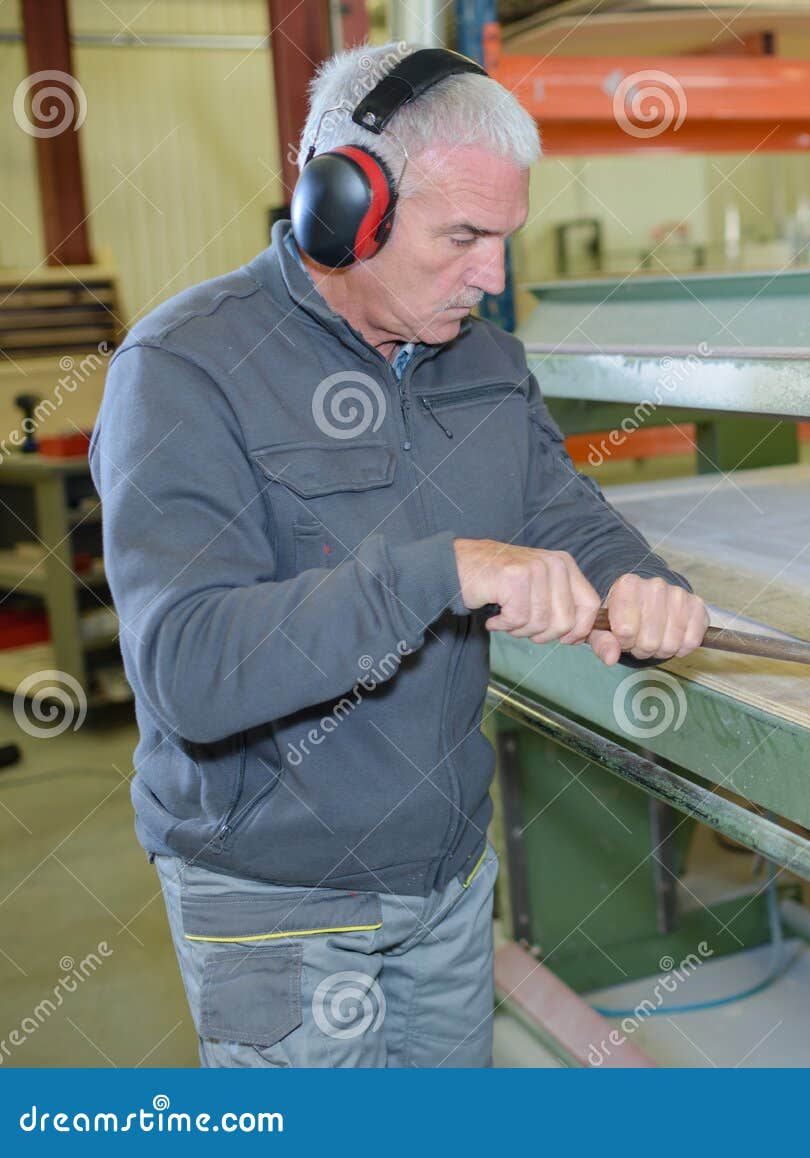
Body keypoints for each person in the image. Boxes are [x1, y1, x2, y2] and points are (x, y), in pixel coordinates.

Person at [88, 43, 707, 1067]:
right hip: (275, 903)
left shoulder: (486, 362)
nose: (493, 276)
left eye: (505, 238)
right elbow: (192, 669)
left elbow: (567, 515)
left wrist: (642, 587)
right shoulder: (185, 371)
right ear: (344, 208)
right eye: (462, 235)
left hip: (449, 881)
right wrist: (446, 571)